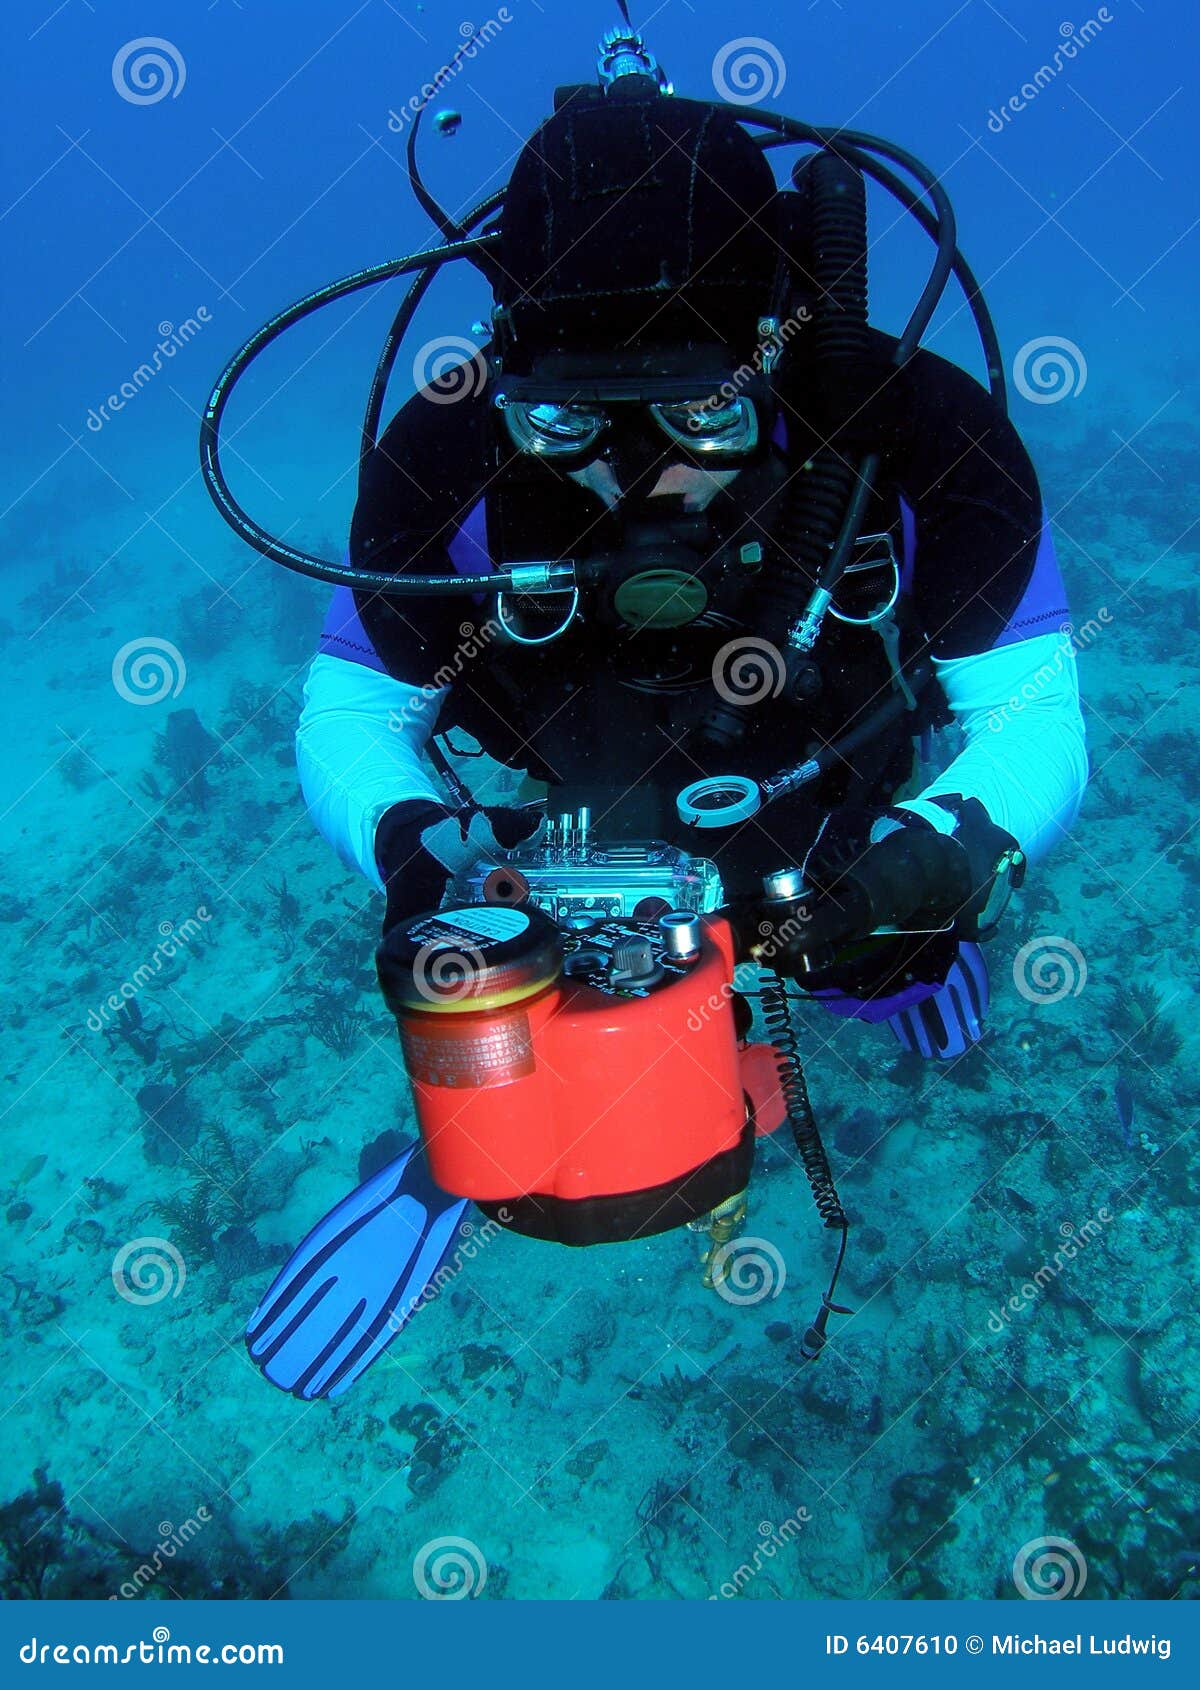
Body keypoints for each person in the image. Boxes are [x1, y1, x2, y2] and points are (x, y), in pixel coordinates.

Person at [243, 25, 1087, 1398]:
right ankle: (495, 1132)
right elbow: (350, 710)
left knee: (891, 951)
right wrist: (411, 854)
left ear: (780, 344)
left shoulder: (922, 435)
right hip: (574, 835)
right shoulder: (446, 453)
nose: (641, 480)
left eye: (699, 409)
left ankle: (837, 985)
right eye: (568, 424)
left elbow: (1038, 715)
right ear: (504, 363)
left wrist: (939, 851)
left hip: (833, 821)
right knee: (520, 959)